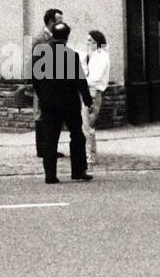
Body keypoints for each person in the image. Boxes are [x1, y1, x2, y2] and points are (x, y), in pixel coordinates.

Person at [31, 21, 92, 184]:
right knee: (77, 136)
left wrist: (42, 96)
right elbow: (80, 80)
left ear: (53, 36)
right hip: (69, 103)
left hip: (49, 104)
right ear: (66, 37)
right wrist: (87, 99)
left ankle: (50, 175)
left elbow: (35, 79)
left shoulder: (40, 55)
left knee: (50, 138)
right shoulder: (71, 55)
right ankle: (78, 170)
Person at [32, 9, 65, 160]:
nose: (61, 25)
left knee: (53, 116)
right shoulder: (40, 39)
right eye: (59, 22)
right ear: (51, 22)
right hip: (43, 82)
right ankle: (42, 149)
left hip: (54, 83)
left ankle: (51, 148)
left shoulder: (57, 37)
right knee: (41, 115)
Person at [82, 30, 110, 170]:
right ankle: (88, 153)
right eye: (87, 41)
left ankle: (90, 155)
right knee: (86, 125)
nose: (88, 44)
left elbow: (96, 78)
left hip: (93, 92)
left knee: (88, 125)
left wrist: (80, 81)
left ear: (97, 42)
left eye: (91, 41)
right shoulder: (94, 56)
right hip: (90, 91)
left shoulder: (101, 57)